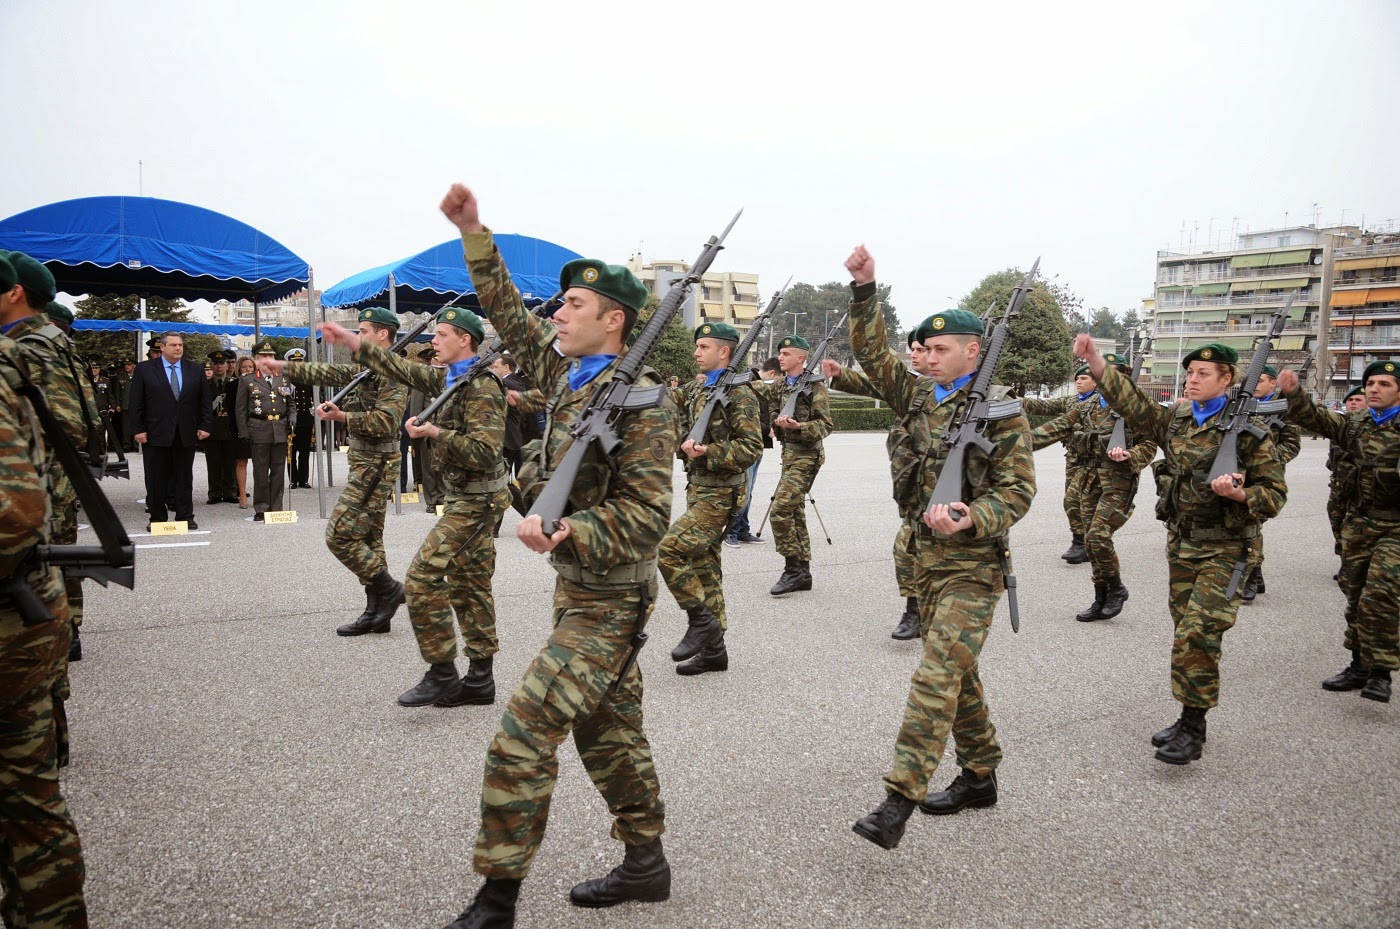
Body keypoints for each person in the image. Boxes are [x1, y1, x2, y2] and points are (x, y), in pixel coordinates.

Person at [438, 182, 674, 928]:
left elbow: (648, 513)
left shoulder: (644, 402)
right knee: (608, 732)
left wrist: (576, 530)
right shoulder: (567, 381)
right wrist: (476, 233)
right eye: (561, 302)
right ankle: (647, 863)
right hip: (578, 589)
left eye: (574, 305)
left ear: (615, 321)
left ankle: (496, 897)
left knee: (525, 729)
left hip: (614, 592)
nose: (557, 313)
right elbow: (507, 309)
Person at [841, 248, 1035, 851]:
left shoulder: (1003, 414)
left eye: (941, 349)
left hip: (974, 567)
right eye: (924, 350)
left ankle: (899, 799)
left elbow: (1019, 490)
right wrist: (866, 291)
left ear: (974, 350)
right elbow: (873, 355)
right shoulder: (920, 399)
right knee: (959, 673)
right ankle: (980, 775)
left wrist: (973, 516)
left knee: (936, 673)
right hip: (925, 561)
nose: (927, 359)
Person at [1079, 335, 1286, 764]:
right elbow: (1134, 404)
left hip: (1228, 549)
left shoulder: (1248, 429)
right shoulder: (1175, 419)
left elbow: (1275, 495)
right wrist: (1098, 362)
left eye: (1203, 374)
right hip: (1182, 543)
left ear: (1226, 380)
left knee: (1199, 633)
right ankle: (1189, 713)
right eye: (1190, 373)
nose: (1192, 380)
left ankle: (1194, 727)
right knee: (1185, 631)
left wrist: (1241, 495)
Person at [321, 304, 509, 707]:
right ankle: (480, 680)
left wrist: (434, 431)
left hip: (479, 500)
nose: (434, 341)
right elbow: (400, 368)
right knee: (470, 584)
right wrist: (352, 339)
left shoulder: (482, 387)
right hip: (465, 495)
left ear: (465, 340)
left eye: (442, 335)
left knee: (422, 579)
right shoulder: (449, 377)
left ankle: (442, 672)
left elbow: (485, 452)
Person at [0, 322, 89, 929]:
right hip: (26, 602)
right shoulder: (27, 358)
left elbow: (14, 511)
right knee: (27, 797)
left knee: (26, 802)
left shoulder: (24, 356)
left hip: (14, 613)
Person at [259, 310, 411, 636]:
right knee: (369, 538)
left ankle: (389, 589)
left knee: (340, 535)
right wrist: (284, 367)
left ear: (383, 336)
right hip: (366, 462)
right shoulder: (369, 368)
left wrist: (341, 417)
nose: (358, 335)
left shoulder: (393, 373)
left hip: (377, 465)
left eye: (364, 330)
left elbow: (386, 423)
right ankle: (377, 612)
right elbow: (328, 371)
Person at [1277, 361, 1398, 702]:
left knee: (1381, 594)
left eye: (1384, 383)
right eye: (1371, 382)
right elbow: (1316, 419)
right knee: (1356, 594)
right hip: (1359, 522)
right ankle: (1358, 663)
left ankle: (1381, 672)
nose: (1374, 389)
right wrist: (1294, 392)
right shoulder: (1356, 424)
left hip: (1396, 526)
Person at [659, 322, 762, 676]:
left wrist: (708, 451)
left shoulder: (741, 393)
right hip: (699, 488)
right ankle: (716, 652)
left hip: (722, 492)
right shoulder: (697, 388)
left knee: (670, 550)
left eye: (703, 347)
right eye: (697, 346)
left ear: (724, 352)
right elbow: (663, 403)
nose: (695, 352)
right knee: (705, 567)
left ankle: (702, 622)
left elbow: (751, 447)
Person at [1029, 356, 1158, 622]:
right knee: (1091, 539)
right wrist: (1020, 442)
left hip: (1118, 483)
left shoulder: (1138, 409)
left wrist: (1131, 455)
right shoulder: (1088, 405)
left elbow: (1149, 445)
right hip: (1089, 479)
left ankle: (1117, 589)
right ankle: (1101, 597)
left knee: (1098, 536)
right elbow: (1061, 425)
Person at [824, 328, 931, 639]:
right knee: (905, 549)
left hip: (950, 492)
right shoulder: (915, 388)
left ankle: (928, 609)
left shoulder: (948, 392)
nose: (915, 354)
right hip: (916, 490)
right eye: (914, 348)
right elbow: (878, 386)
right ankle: (915, 610)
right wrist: (841, 374)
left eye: (922, 349)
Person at [750, 336, 833, 595]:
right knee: (795, 511)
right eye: (780, 353)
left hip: (808, 455)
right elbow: (770, 406)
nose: (781, 357)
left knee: (780, 510)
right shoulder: (780, 385)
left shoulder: (815, 386)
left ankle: (792, 570)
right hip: (789, 454)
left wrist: (800, 426)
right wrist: (777, 423)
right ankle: (803, 573)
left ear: (801, 358)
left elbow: (825, 425)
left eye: (786, 353)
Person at [1021, 368, 1100, 564]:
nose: (1079, 382)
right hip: (1074, 459)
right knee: (1073, 501)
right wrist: (1016, 400)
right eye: (1077, 379)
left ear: (1096, 382)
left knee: (1078, 502)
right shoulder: (1071, 401)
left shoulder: (1103, 403)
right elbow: (1044, 406)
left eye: (1084, 378)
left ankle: (1083, 543)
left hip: (1096, 461)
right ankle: (1086, 543)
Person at [1237, 364, 1301, 604]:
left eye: (1260, 381)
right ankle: (1256, 573)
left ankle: (1251, 576)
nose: (1254, 385)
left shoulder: (1284, 409)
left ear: (1273, 384)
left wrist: (1268, 458)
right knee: (1246, 524)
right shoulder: (1242, 406)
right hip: (1241, 473)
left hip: (1265, 475)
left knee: (1251, 526)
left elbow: (1292, 445)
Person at [725, 357, 778, 546]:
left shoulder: (757, 383)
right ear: (772, 374)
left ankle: (742, 529)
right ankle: (731, 531)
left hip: (758, 445)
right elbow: (744, 417)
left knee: (749, 491)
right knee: (742, 491)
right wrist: (766, 429)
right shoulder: (746, 383)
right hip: (745, 446)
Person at [238, 342, 292, 522]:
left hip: (280, 429)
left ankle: (276, 507)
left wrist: (292, 420)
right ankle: (261, 507)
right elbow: (241, 409)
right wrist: (244, 431)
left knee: (278, 470)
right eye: (263, 357)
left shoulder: (283, 378)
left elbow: (291, 404)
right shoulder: (248, 380)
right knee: (260, 471)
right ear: (257, 359)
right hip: (258, 428)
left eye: (270, 356)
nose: (267, 360)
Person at [1325, 386, 1367, 576]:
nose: (1353, 403)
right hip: (1338, 487)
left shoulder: (1371, 427)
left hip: (1361, 490)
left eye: (1358, 400)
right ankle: (1345, 560)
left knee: (1356, 528)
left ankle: (1357, 565)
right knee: (1337, 522)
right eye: (1350, 400)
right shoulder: (1341, 425)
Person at [203, 351, 240, 504]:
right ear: (211, 365)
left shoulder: (234, 383)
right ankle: (215, 492)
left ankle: (230, 491)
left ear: (227, 365)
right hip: (212, 428)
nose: (219, 366)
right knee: (213, 461)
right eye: (216, 363)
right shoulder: (205, 384)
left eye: (222, 363)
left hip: (229, 427)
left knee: (230, 461)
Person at [286, 348, 315, 489]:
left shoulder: (308, 379)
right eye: (295, 361)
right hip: (292, 419)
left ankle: (303, 479)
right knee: (291, 451)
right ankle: (293, 480)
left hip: (306, 418)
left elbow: (315, 397)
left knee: (304, 451)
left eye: (299, 361)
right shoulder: (286, 379)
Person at [232, 356, 256, 507]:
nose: (247, 370)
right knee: (241, 461)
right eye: (244, 367)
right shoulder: (233, 385)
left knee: (261, 463)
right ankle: (242, 494)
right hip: (240, 428)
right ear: (238, 369)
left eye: (250, 367)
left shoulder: (261, 384)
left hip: (259, 427)